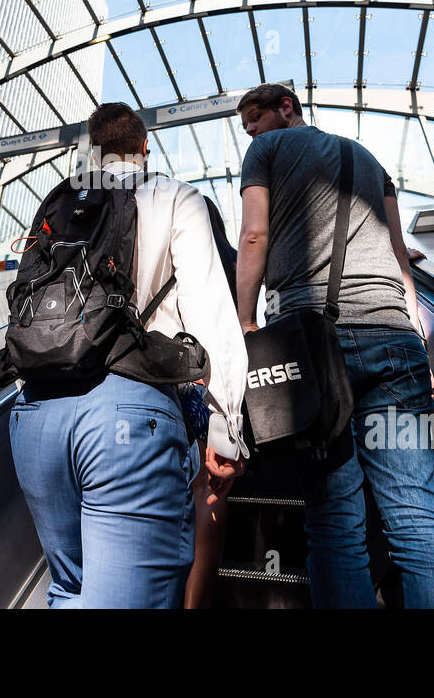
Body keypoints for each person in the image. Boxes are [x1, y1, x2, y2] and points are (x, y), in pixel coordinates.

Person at [226, 82, 434, 609]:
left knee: (336, 522)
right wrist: (420, 341)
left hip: (314, 350)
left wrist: (245, 321)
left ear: (285, 107)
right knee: (416, 518)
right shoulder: (368, 158)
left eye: (255, 119)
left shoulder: (266, 152)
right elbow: (399, 255)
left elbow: (253, 236)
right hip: (394, 341)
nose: (250, 131)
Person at [8, 103, 247, 608]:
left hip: (35, 415)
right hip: (130, 409)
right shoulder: (174, 196)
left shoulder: (62, 203)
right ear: (144, 147)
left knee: (69, 590)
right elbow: (209, 310)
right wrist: (226, 430)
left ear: (90, 150)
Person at [181, 195, 238, 609]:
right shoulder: (232, 263)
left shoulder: (177, 261)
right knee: (211, 499)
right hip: (216, 394)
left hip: (172, 392)